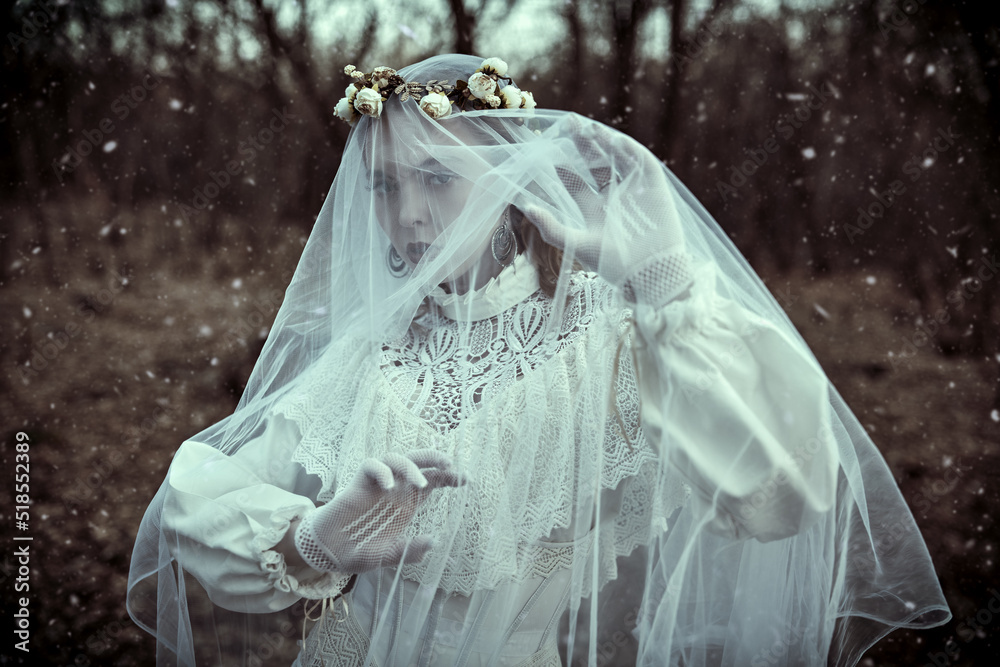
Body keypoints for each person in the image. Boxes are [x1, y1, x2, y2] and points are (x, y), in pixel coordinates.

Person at [127, 53, 951, 666]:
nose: (409, 213)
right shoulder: (369, 354)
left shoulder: (607, 338)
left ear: (506, 176)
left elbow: (781, 493)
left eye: (437, 178)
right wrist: (315, 542)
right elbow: (191, 495)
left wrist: (661, 285)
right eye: (383, 186)